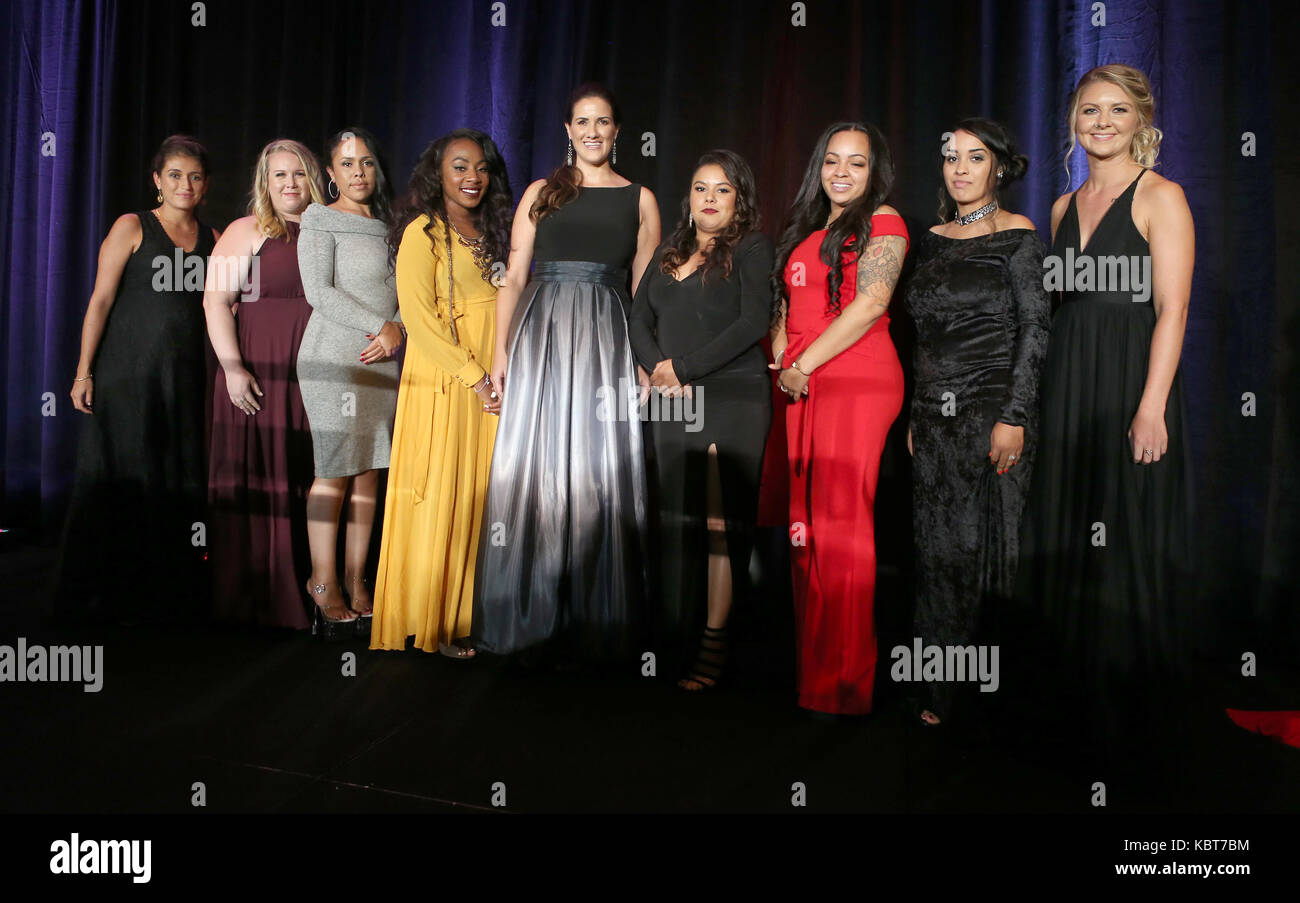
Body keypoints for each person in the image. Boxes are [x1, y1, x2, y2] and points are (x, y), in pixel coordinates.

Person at [1016, 63, 1195, 751]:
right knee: (1067, 521)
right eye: (1090, 110)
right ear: (1072, 121)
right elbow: (1056, 314)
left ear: (1141, 122)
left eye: (1117, 111)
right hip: (1068, 384)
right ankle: (1069, 703)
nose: (1102, 122)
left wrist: (1152, 407)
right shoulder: (1061, 208)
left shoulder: (1162, 196)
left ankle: (1128, 714)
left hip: (1130, 381)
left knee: (1122, 532)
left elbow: (1173, 309)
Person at [473, 83, 661, 663]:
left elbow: (644, 289)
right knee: (535, 462)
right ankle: (528, 612)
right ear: (568, 130)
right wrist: (502, 355)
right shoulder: (540, 192)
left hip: (608, 336)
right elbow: (514, 277)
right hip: (542, 336)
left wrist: (643, 360)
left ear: (617, 131)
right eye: (582, 121)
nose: (593, 131)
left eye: (603, 122)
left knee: (597, 468)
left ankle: (594, 622)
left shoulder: (641, 199)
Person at [903, 119, 1049, 726]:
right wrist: (916, 407)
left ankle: (991, 701)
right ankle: (941, 690)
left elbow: (1036, 330)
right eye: (951, 158)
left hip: (992, 411)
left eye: (975, 157)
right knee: (935, 553)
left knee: (985, 549)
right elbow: (921, 334)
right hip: (932, 417)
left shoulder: (1020, 235)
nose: (960, 168)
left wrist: (1015, 416)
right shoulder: (931, 239)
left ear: (998, 168)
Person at [771, 121, 909, 715]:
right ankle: (815, 677)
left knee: (842, 532)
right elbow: (782, 305)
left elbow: (872, 302)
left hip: (855, 379)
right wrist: (783, 358)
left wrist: (801, 362)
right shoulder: (804, 230)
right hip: (799, 381)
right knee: (806, 534)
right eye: (832, 161)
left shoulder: (886, 221)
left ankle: (847, 687)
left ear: (875, 171)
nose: (842, 173)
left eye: (857, 162)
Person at [628, 149, 773, 689]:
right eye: (700, 188)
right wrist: (657, 367)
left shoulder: (753, 247)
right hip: (673, 398)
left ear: (739, 200)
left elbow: (752, 321)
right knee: (677, 522)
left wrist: (681, 368)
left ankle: (714, 646)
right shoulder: (670, 249)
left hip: (732, 395)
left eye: (722, 190)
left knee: (719, 525)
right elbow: (638, 314)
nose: (709, 199)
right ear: (688, 197)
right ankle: (672, 640)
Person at [57, 135, 218, 621]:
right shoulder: (132, 226)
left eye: (194, 176)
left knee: (177, 476)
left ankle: (167, 591)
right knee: (122, 471)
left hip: (187, 379)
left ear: (206, 183)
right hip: (127, 374)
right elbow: (100, 301)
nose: (184, 184)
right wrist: (84, 371)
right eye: (174, 175)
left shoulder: (216, 238)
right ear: (156, 181)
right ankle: (102, 591)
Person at [371, 129, 511, 658]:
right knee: (442, 495)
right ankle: (431, 623)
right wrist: (473, 374)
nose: (471, 177)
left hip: (493, 380)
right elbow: (420, 321)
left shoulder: (495, 231)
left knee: (479, 498)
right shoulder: (422, 233)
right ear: (438, 173)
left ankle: (469, 615)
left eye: (480, 168)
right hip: (447, 381)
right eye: (459, 166)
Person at [204, 139, 347, 632]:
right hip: (261, 372)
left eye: (299, 174)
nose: (290, 184)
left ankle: (317, 586)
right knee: (264, 475)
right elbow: (215, 301)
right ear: (265, 183)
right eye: (279, 175)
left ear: (316, 178)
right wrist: (232, 367)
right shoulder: (248, 231)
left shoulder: (333, 232)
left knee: (313, 475)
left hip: (319, 371)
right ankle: (255, 595)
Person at [296, 127, 400, 633]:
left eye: (367, 162)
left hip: (384, 360)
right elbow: (319, 290)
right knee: (335, 469)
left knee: (370, 471)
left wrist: (397, 328)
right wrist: (378, 325)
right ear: (332, 174)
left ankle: (358, 580)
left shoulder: (390, 224)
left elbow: (407, 292)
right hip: (334, 358)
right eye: (347, 163)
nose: (358, 172)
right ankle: (322, 580)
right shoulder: (320, 219)